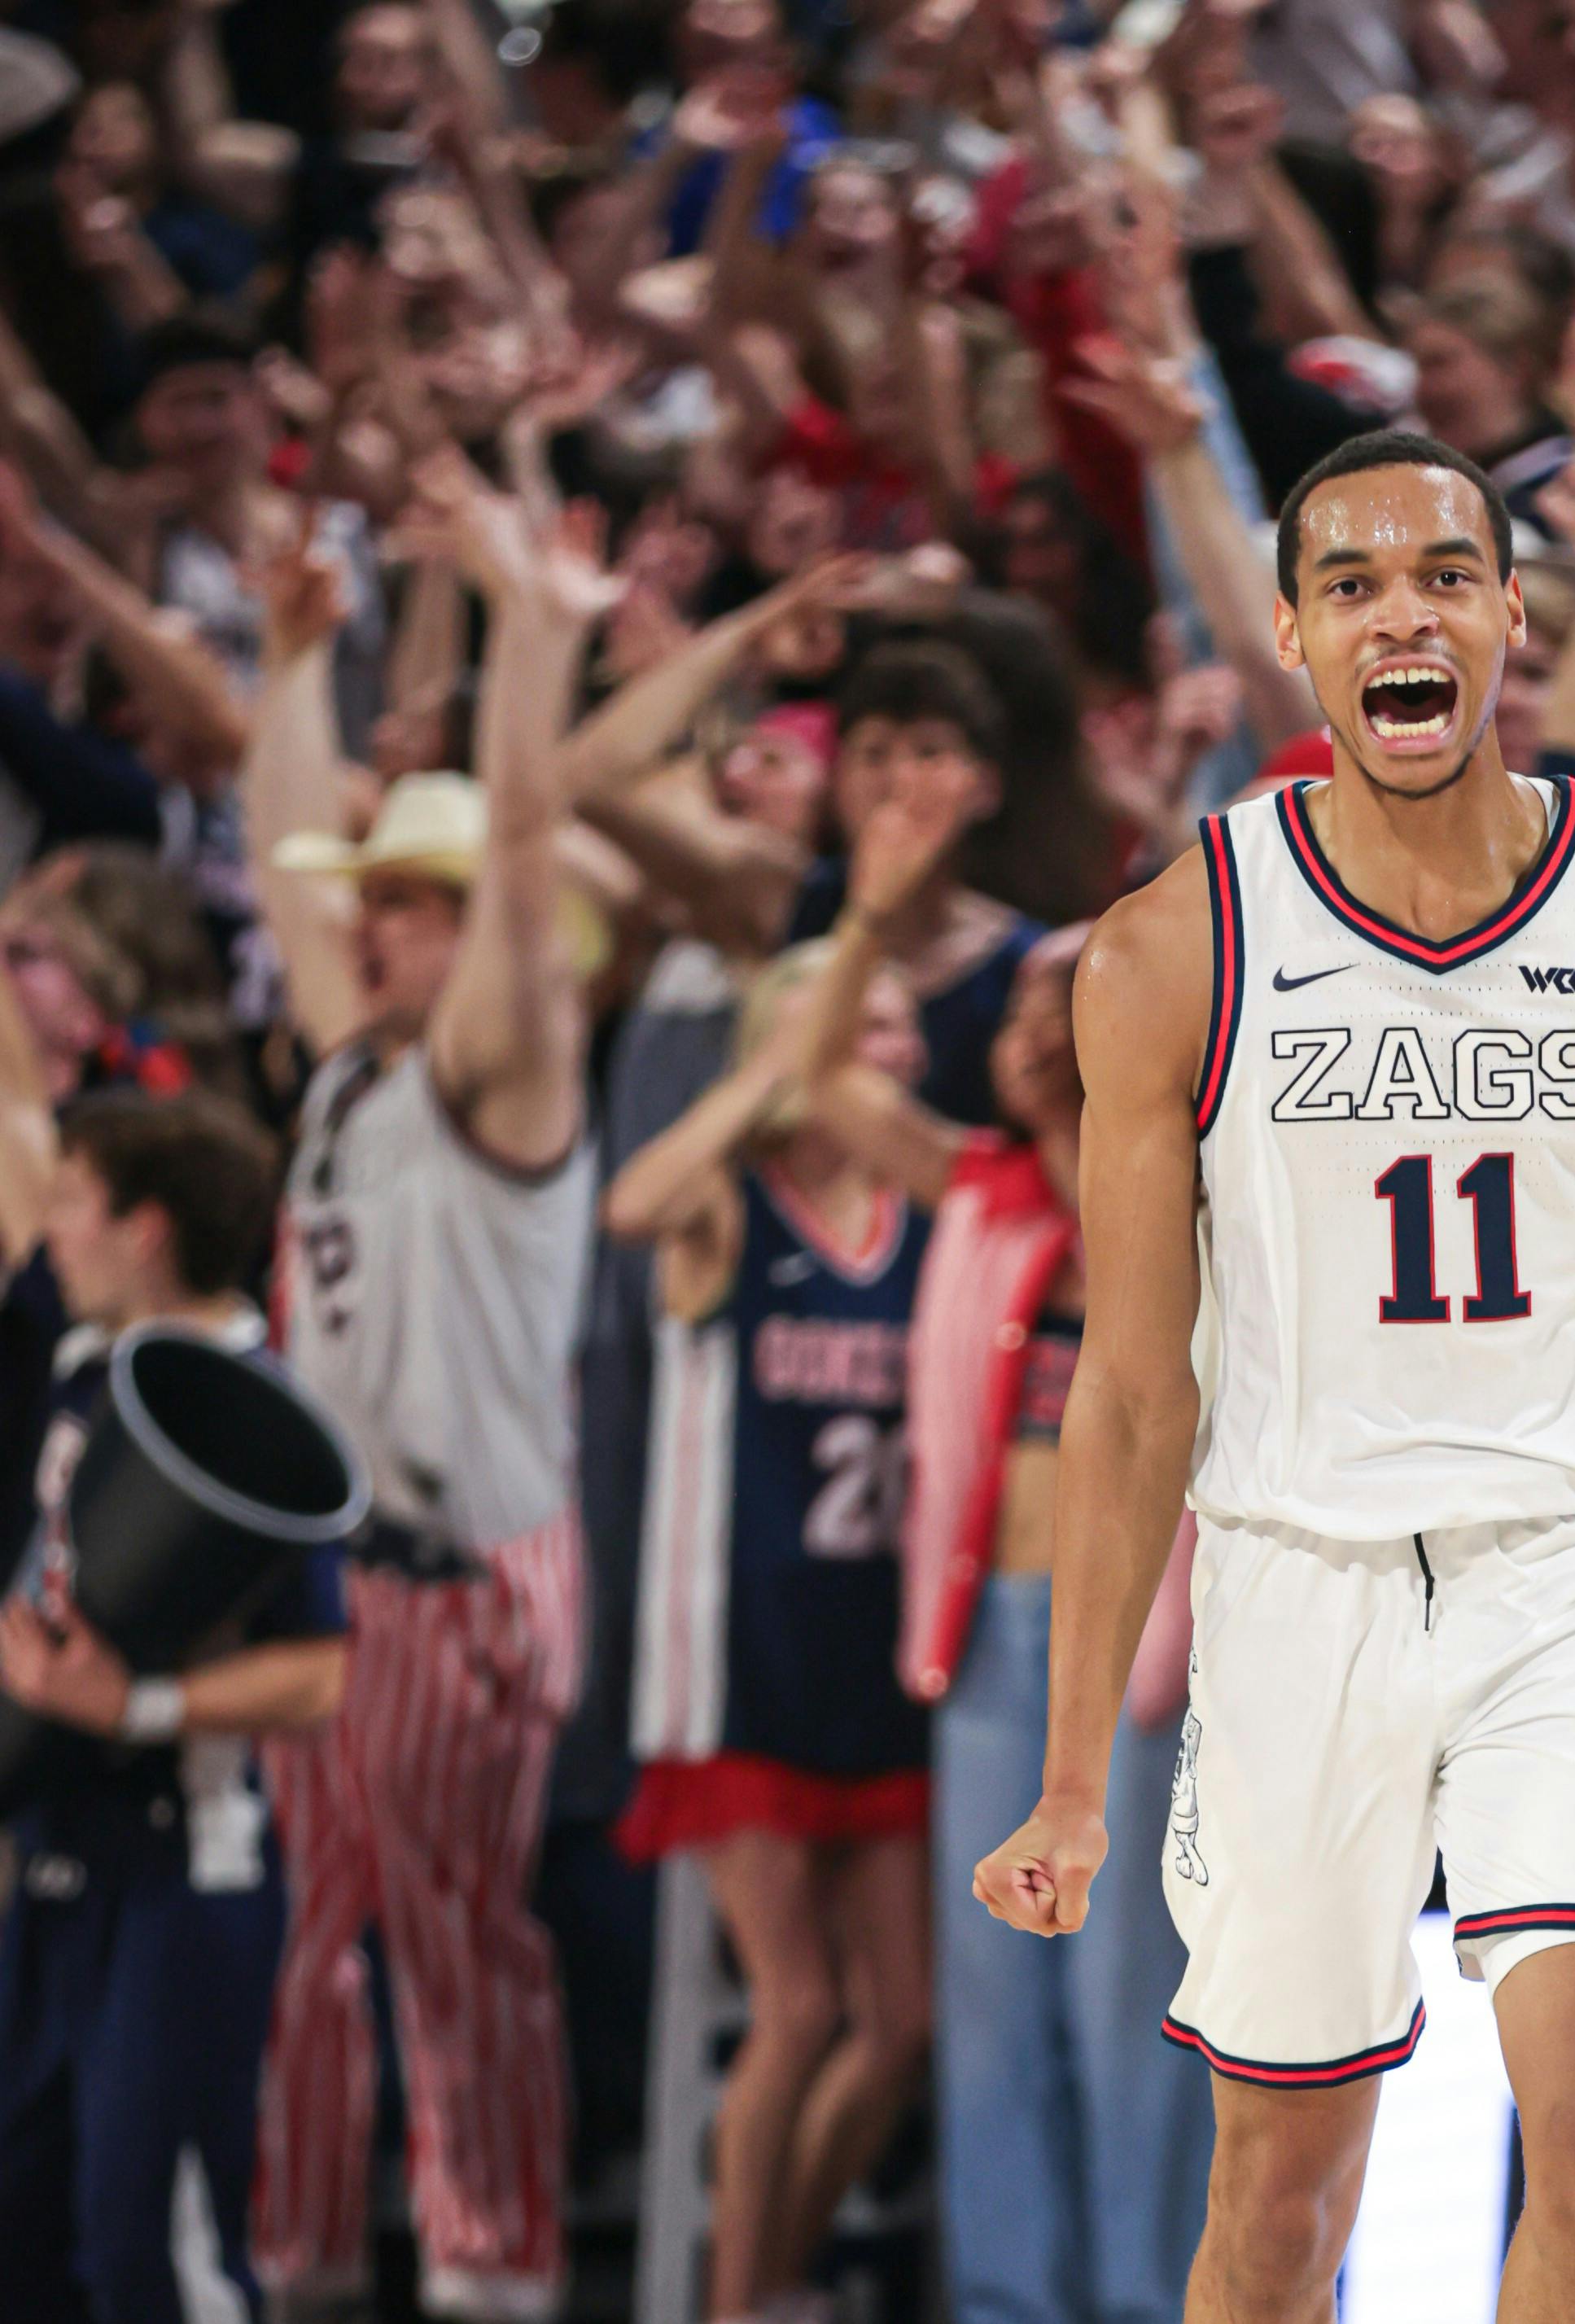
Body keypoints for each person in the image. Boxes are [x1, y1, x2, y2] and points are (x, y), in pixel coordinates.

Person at [973, 428, 1575, 2319]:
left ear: (1507, 614)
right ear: (1291, 633)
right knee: (1274, 2208)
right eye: (1348, 582)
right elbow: (1132, 1390)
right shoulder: (1176, 943)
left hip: (1569, 1587)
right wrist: (1075, 1766)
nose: (1396, 611)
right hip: (1292, 1592)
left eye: (1438, 574)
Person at [239, 474, 600, 2323]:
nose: (359, 929)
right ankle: (296, 2261)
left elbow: (527, 848)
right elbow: (275, 825)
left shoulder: (505, 1064)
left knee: (459, 1938)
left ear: (467, 923)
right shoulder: (354, 1068)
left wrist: (531, 638)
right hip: (338, 1573)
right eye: (362, 908)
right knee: (311, 1939)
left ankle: (494, 2270)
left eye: (397, 906)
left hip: (467, 1569)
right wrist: (297, 655)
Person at [603, 895, 950, 2322]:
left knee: (902, 2024)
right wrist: (765, 1079)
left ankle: (765, 2278)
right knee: (799, 2005)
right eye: (859, 1022)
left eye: (899, 1026)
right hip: (735, 1659)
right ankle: (736, 2305)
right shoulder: (724, 1209)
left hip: (879, 1659)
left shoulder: (922, 1217)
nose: (890, 1048)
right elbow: (626, 1206)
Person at [903, 918, 1214, 2322]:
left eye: (1066, 1000)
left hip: (1146, 1646)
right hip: (986, 1642)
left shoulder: (1204, 1203)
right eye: (1019, 1002)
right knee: (994, 2014)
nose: (1032, 1029)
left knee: (1129, 2010)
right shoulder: (980, 1194)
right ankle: (1004, 2301)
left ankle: (1152, 2301)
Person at [0, 1081, 339, 2324]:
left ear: (146, 1228)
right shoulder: (88, 1362)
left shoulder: (246, 1404)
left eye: (75, 1205)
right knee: (26, 2240)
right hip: (53, 1869)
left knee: (153, 2254)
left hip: (179, 1879)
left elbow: (320, 1672)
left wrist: (133, 1703)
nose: (47, 1229)